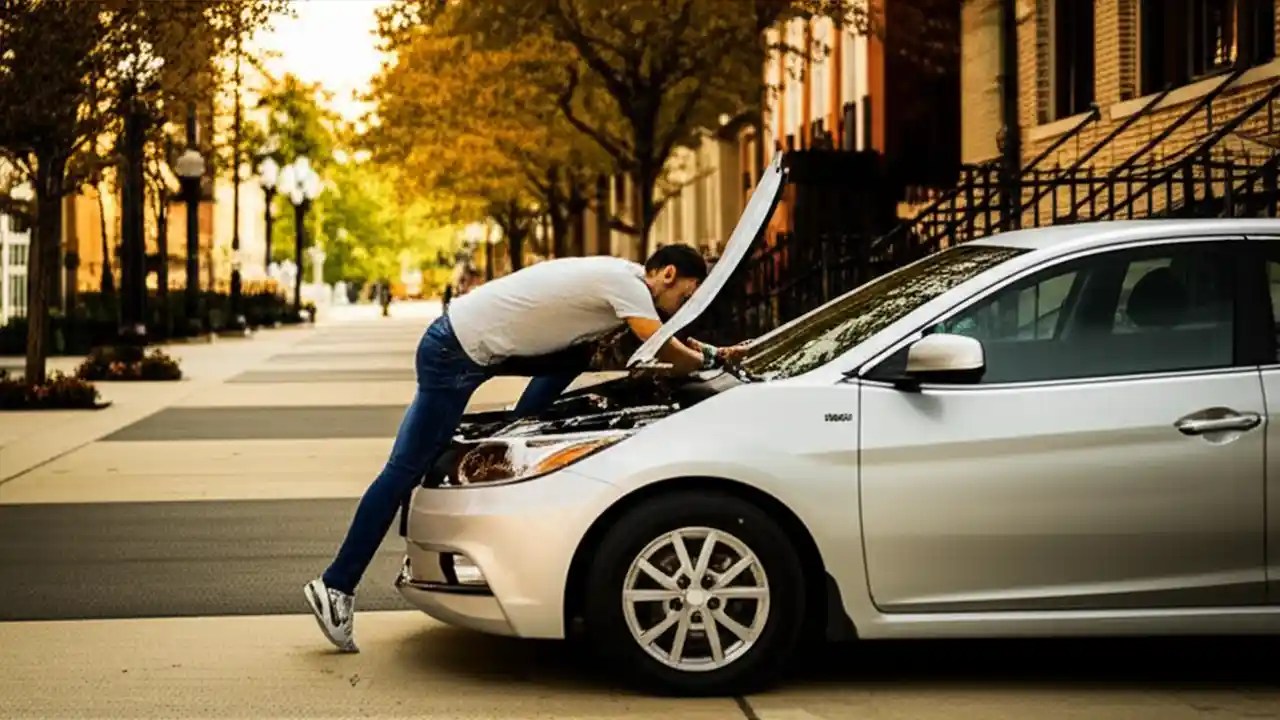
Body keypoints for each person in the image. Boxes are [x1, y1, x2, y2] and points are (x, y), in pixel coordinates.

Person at [304, 243, 751, 652]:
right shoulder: (626, 287)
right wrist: (710, 360)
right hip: (453, 353)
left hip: (468, 345)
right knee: (404, 470)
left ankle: (524, 426)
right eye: (686, 297)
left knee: (580, 350)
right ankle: (336, 584)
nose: (683, 308)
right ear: (668, 274)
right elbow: (666, 349)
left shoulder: (625, 282)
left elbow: (665, 340)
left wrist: (715, 353)